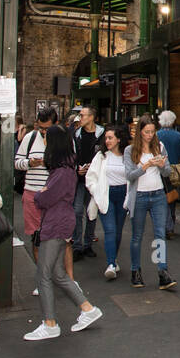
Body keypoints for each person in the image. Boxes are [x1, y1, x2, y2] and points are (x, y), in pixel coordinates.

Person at [24, 126, 102, 340]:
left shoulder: (61, 172)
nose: (45, 143)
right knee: (57, 273)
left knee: (43, 274)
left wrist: (41, 195)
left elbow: (45, 199)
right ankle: (87, 309)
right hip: (60, 222)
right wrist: (43, 194)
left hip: (56, 223)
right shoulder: (66, 169)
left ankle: (50, 323)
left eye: (47, 139)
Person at [126, 115, 176, 290]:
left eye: (152, 132)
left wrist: (161, 164)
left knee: (160, 234)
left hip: (158, 195)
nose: (149, 135)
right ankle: (135, 271)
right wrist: (145, 166)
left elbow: (167, 172)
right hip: (139, 195)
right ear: (140, 132)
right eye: (146, 132)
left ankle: (162, 272)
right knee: (137, 236)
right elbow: (129, 176)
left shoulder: (160, 146)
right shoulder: (130, 150)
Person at [14, 107, 57, 277]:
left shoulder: (61, 139)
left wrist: (50, 162)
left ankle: (54, 272)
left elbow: (69, 164)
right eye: (41, 128)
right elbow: (17, 162)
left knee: (53, 238)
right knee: (36, 237)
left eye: (47, 128)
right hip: (32, 192)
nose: (43, 132)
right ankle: (42, 276)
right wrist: (29, 163)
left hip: (53, 196)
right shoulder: (30, 138)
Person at [86, 125, 133, 280]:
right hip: (105, 195)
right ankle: (111, 264)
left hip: (122, 195)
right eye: (106, 138)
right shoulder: (101, 156)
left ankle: (113, 259)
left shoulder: (128, 155)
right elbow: (91, 177)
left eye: (110, 138)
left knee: (118, 231)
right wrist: (96, 191)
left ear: (119, 139)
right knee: (110, 230)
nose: (107, 141)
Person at [72, 106, 103, 261]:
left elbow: (105, 154)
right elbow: (71, 155)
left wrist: (94, 167)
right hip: (79, 178)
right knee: (77, 211)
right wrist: (76, 168)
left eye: (83, 115)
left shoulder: (102, 134)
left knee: (92, 212)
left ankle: (88, 244)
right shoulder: (76, 134)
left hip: (95, 178)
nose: (80, 118)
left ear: (91, 117)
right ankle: (77, 245)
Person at [157, 110, 180, 239]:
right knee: (172, 197)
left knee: (161, 198)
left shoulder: (156, 135)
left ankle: (163, 225)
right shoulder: (179, 136)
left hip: (159, 169)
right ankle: (170, 225)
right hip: (174, 170)